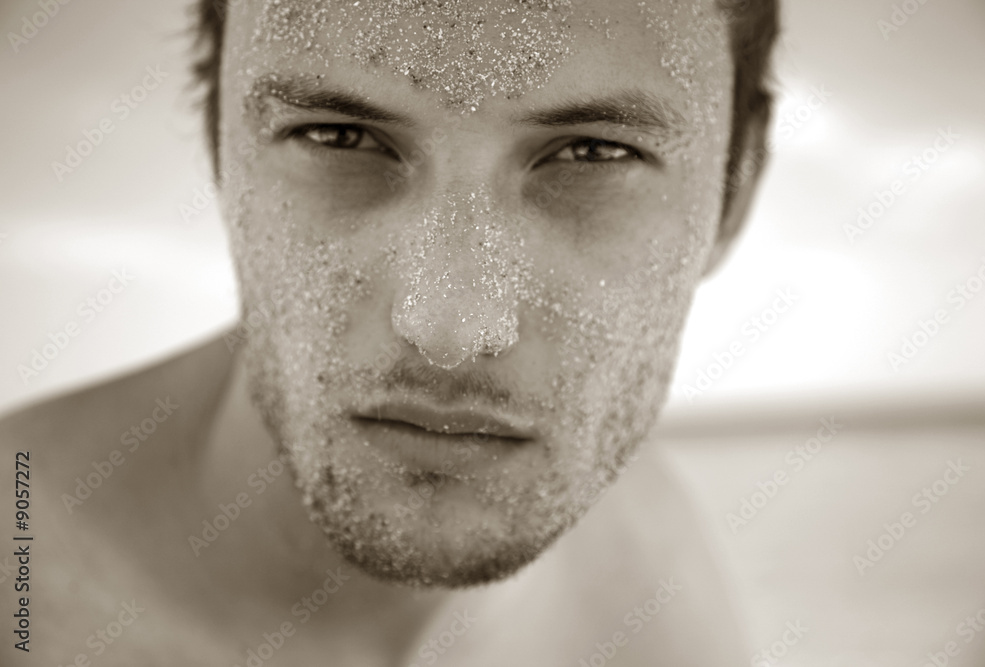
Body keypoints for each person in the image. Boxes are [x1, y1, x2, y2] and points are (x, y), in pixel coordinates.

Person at [1, 0, 777, 663]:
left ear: (734, 188)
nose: (449, 331)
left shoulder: (657, 581)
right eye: (338, 136)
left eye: (594, 153)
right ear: (220, 154)